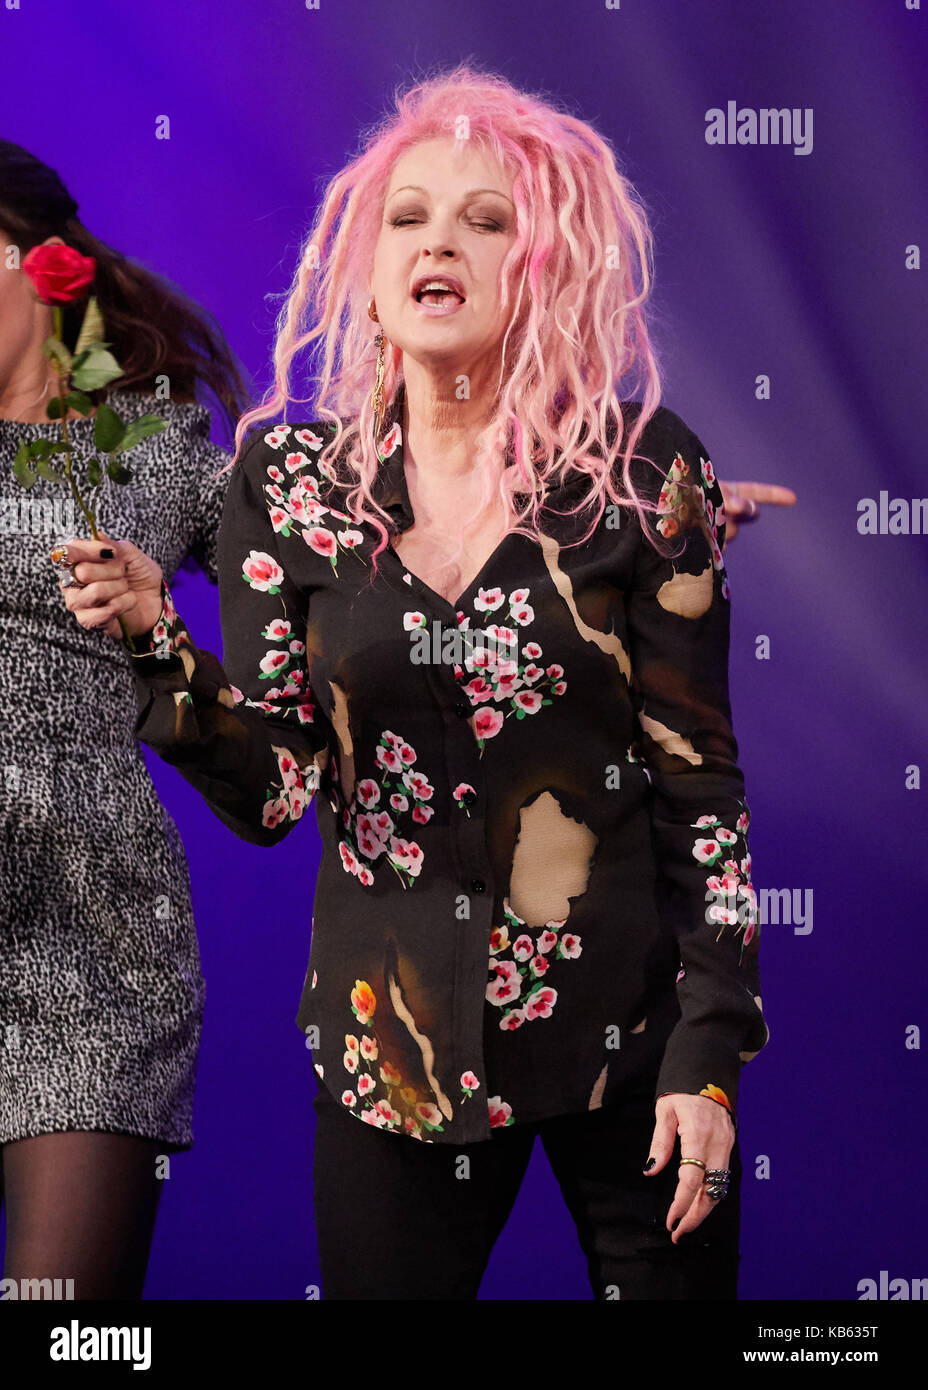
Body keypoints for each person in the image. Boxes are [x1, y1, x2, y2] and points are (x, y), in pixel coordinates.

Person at [57, 65, 776, 1300]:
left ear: (541, 267)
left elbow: (701, 796)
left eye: (484, 220)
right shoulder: (290, 483)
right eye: (409, 216)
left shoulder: (640, 474)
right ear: (368, 262)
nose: (438, 241)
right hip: (392, 1056)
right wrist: (155, 641)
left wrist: (706, 1061)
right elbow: (276, 789)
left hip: (629, 1048)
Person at [0, 139, 250, 1299]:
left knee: (68, 1327)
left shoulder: (151, 445)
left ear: (31, 259)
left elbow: (334, 585)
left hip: (90, 928)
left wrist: (598, 531)